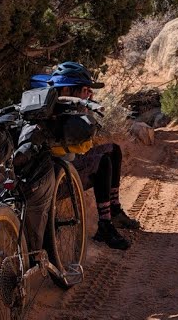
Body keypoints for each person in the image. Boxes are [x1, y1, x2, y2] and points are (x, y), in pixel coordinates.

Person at [41, 61, 141, 251]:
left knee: (113, 149)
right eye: (86, 89)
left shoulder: (50, 105)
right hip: (57, 178)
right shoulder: (60, 111)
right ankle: (105, 224)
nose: (90, 94)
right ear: (69, 90)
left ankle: (115, 210)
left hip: (60, 167)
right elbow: (84, 146)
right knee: (102, 161)